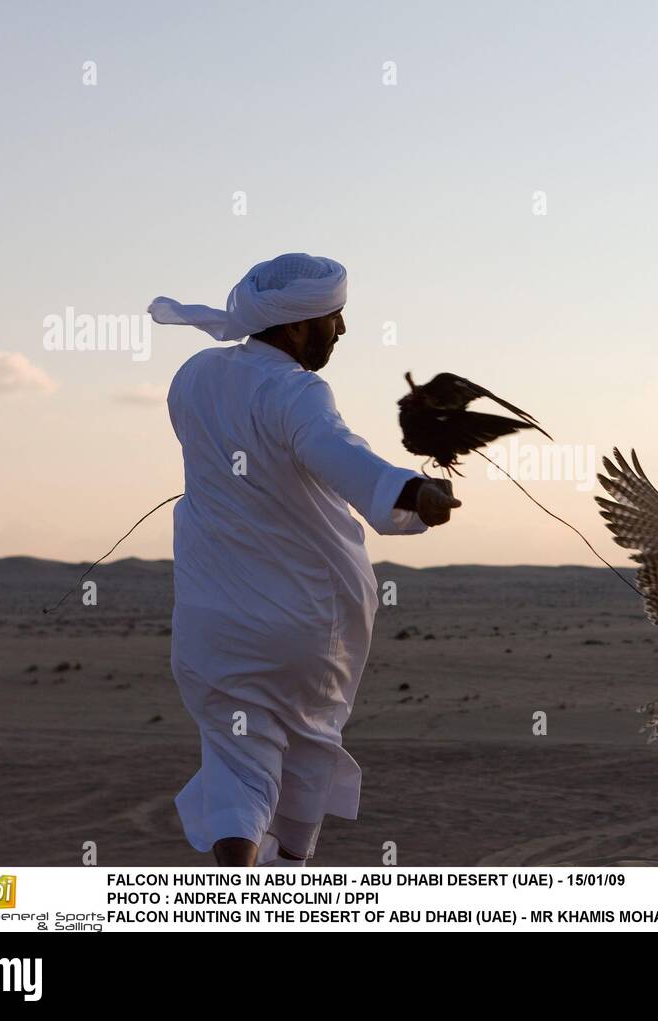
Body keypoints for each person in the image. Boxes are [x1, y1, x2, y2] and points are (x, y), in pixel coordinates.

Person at [149, 253, 460, 866]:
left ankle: (235, 885)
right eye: (333, 319)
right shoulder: (297, 390)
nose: (341, 332)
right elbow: (334, 450)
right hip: (305, 621)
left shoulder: (193, 376)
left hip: (213, 618)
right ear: (295, 328)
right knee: (305, 753)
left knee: (239, 764)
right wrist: (412, 491)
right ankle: (282, 877)